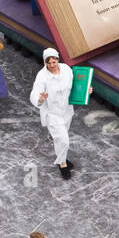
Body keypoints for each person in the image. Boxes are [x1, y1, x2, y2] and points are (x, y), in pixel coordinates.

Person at [30, 47, 80, 179]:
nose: (52, 65)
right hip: (52, 114)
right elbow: (34, 94)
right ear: (45, 62)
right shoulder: (42, 76)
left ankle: (62, 158)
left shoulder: (67, 70)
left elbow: (76, 85)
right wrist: (40, 99)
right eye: (49, 63)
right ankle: (62, 164)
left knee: (60, 139)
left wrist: (86, 91)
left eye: (54, 62)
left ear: (58, 60)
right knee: (64, 141)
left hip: (66, 110)